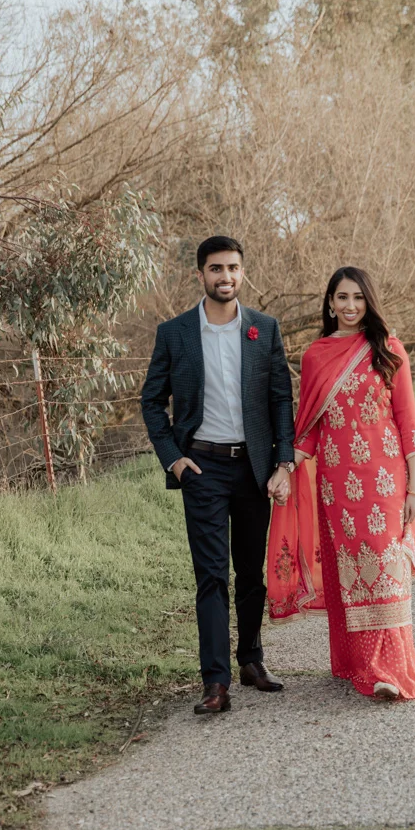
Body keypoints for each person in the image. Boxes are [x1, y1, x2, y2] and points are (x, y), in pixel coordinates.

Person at [141, 236, 295, 715]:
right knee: (211, 576)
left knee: (251, 573)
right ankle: (215, 683)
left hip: (253, 468)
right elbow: (150, 401)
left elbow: (281, 399)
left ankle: (250, 661)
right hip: (202, 467)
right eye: (215, 269)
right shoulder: (175, 333)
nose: (224, 277)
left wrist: (284, 462)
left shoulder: (264, 329)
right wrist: (174, 458)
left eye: (232, 268)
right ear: (200, 275)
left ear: (242, 273)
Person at [267, 267, 415, 700]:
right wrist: (286, 468)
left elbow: (407, 420)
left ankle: (391, 669)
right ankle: (360, 664)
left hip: (385, 479)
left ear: (369, 301)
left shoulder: (389, 350)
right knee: (352, 572)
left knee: (385, 569)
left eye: (358, 297)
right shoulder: (317, 355)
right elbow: (311, 430)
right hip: (338, 485)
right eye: (342, 297)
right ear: (329, 303)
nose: (350, 306)